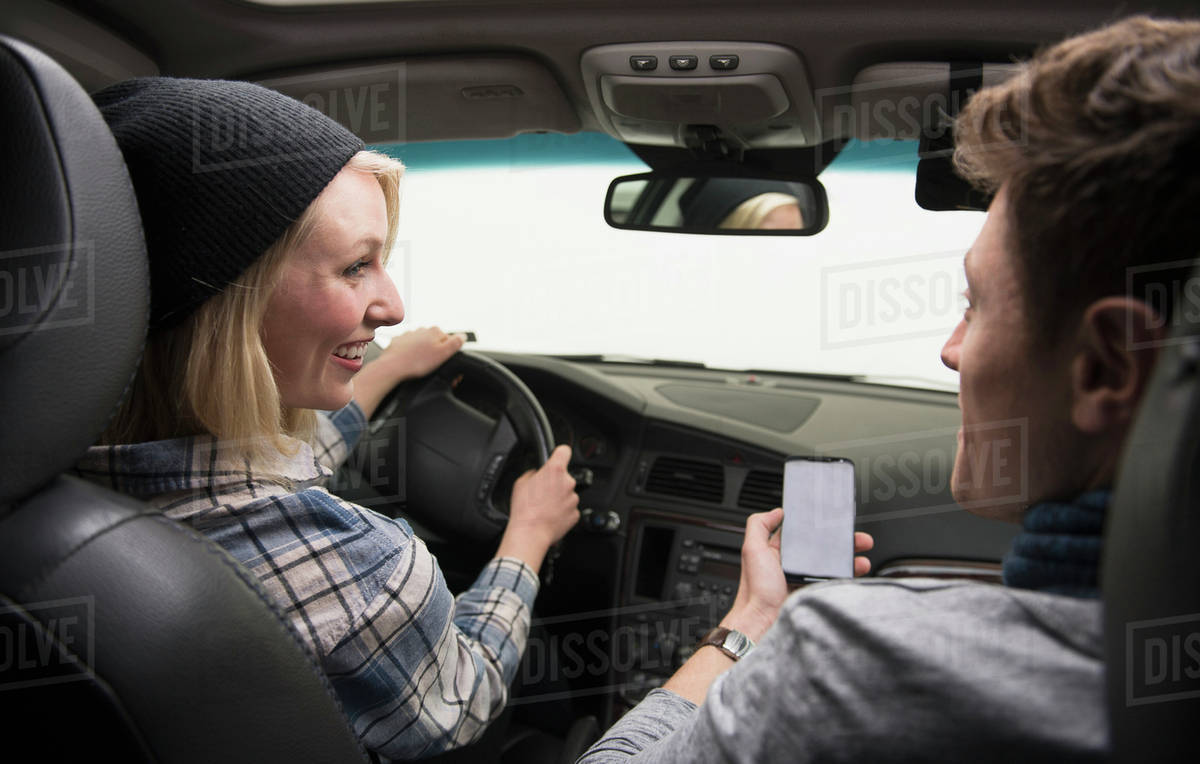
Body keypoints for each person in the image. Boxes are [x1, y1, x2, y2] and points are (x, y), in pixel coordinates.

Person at [579, 15, 1200, 762]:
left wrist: (748, 623)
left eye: (975, 305)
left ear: (1106, 368)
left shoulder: (851, 668)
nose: (950, 350)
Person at [72, 77, 580, 761]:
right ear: (228, 304)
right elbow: (463, 696)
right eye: (356, 267)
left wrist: (390, 369)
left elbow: (272, 465)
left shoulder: (62, 468)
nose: (393, 304)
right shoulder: (369, 570)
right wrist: (528, 536)